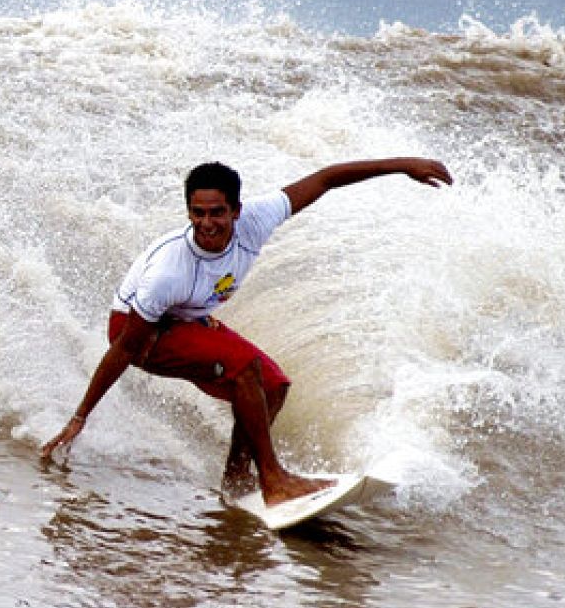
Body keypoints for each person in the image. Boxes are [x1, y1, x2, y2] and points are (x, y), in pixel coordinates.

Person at [40, 157, 453, 506]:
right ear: (188, 212)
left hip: (187, 318)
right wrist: (80, 417)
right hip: (140, 330)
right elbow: (124, 348)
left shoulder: (259, 217)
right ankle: (273, 479)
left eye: (217, 212)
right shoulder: (169, 271)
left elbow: (326, 179)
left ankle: (237, 479)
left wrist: (403, 166)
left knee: (273, 385)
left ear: (236, 211)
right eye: (198, 213)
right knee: (243, 367)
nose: (207, 223)